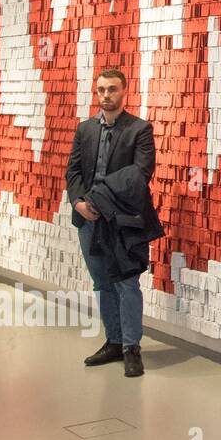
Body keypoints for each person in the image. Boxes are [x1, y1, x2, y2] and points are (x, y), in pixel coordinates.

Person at [65, 69, 159, 377]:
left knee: (127, 283)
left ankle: (132, 348)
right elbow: (73, 172)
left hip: (122, 220)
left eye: (112, 89)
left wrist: (98, 200)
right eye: (101, 89)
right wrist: (79, 202)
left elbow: (140, 174)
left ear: (124, 91)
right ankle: (114, 342)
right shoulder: (84, 130)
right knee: (102, 282)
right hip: (88, 219)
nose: (106, 95)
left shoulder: (139, 129)